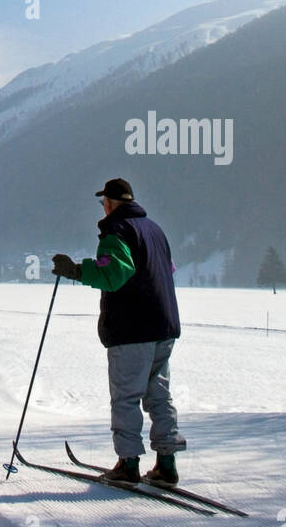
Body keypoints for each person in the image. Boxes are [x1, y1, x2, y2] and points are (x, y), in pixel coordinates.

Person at [53, 178, 186, 486]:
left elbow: (114, 275)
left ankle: (128, 464)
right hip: (164, 326)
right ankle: (167, 464)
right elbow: (169, 268)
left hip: (132, 328)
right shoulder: (155, 230)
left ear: (111, 203)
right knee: (159, 396)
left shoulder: (117, 231)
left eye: (103, 202)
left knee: (126, 397)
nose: (103, 207)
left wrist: (75, 270)